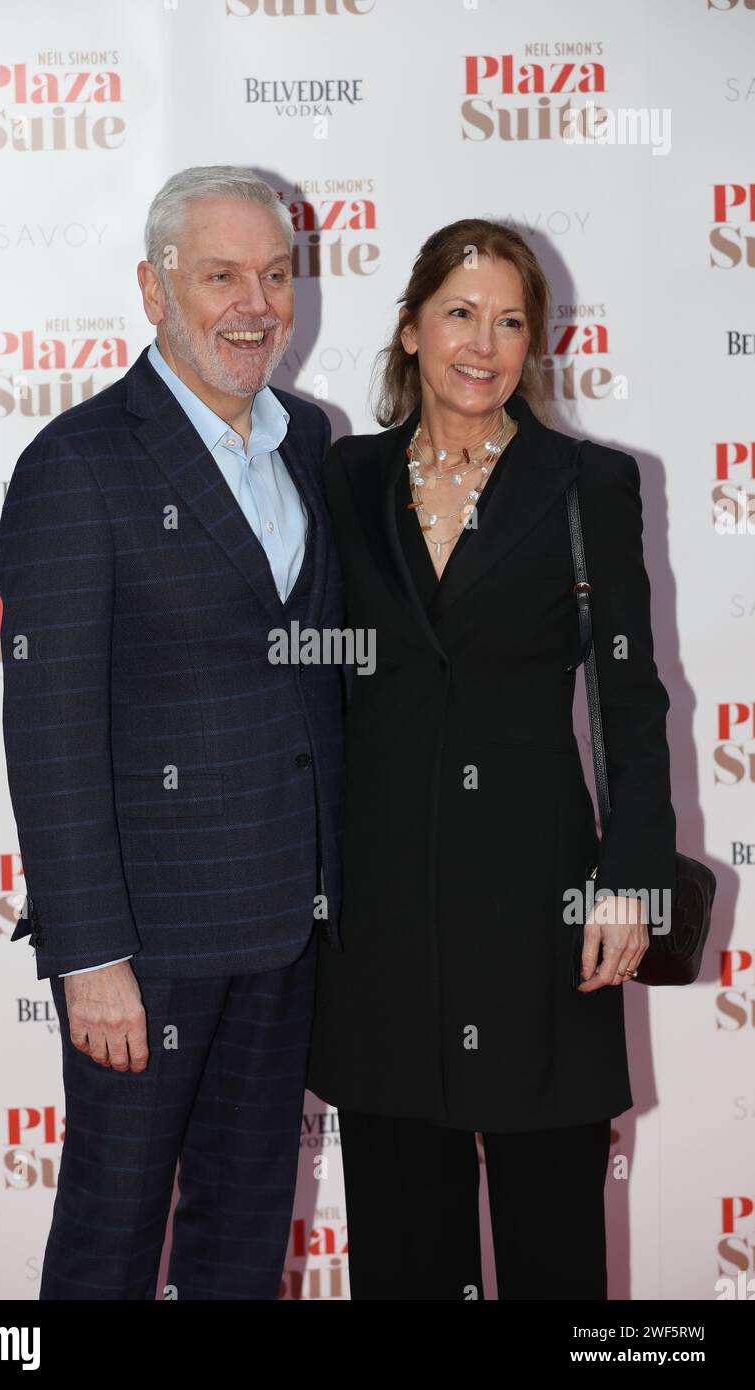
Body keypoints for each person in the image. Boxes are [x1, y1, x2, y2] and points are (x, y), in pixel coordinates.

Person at [306, 218, 677, 1301]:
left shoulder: (582, 483)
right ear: (412, 328)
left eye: (510, 321)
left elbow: (626, 688)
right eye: (459, 313)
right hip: (381, 914)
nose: (484, 343)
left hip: (537, 906)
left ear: (534, 343)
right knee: (399, 1236)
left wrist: (633, 872)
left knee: (552, 1233)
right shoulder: (343, 478)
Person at [0, 166, 345, 1300]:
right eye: (220, 275)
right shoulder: (78, 464)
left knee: (241, 1236)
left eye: (274, 275)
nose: (255, 304)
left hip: (285, 928)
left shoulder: (308, 445)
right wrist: (89, 958)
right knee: (111, 1232)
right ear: (154, 290)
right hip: (143, 952)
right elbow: (45, 729)